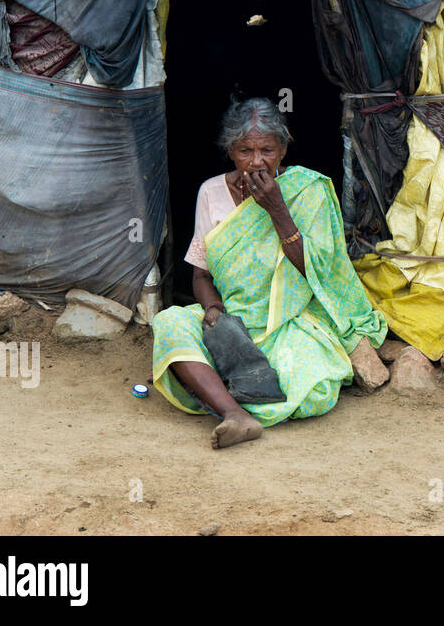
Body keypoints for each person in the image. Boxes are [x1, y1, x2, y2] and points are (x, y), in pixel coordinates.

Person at [151, 98, 389, 449]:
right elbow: (200, 276)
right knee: (170, 324)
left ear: (283, 150)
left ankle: (218, 395)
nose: (257, 160)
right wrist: (215, 311)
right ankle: (236, 414)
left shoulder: (306, 192)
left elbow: (319, 273)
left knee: (314, 392)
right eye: (246, 150)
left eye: (266, 149)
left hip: (287, 321)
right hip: (232, 319)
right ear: (231, 151)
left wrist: (278, 208)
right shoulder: (211, 193)